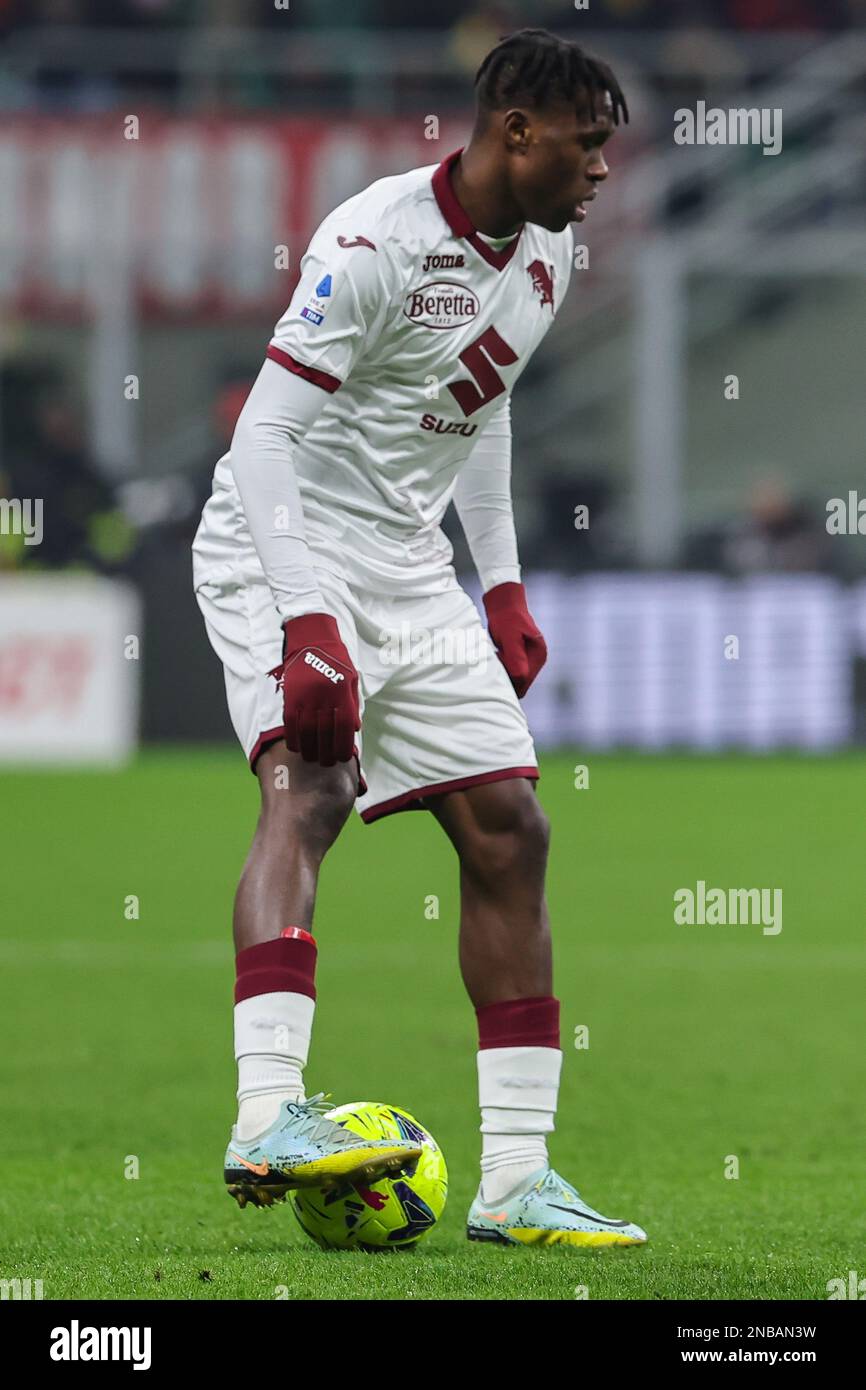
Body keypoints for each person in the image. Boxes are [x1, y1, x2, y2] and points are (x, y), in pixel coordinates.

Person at [192, 26, 646, 1247]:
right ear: (514, 131)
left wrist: (498, 584)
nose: (602, 168)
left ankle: (513, 1182)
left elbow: (477, 406)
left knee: (510, 826)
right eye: (587, 142)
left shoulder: (545, 258)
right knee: (312, 784)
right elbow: (261, 441)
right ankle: (265, 1115)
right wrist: (304, 622)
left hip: (408, 564)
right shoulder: (372, 241)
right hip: (277, 542)